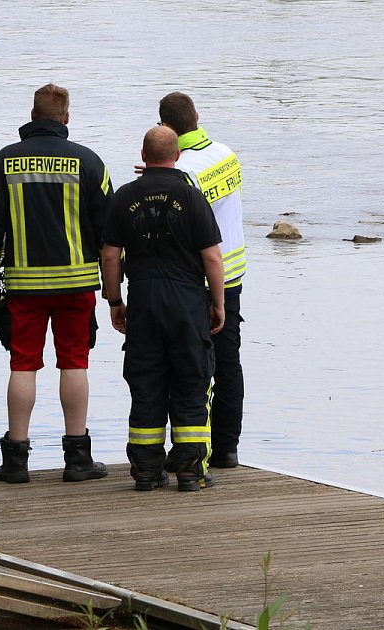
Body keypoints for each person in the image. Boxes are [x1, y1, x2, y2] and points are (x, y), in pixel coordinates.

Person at [0, 83, 114, 484]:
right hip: (77, 284)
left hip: (23, 285)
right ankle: (77, 458)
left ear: (32, 116)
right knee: (74, 362)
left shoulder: (3, 162)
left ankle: (16, 461)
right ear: (66, 118)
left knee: (23, 365)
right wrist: (115, 283)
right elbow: (110, 229)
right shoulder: (88, 162)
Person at [101, 125, 225, 492]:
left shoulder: (124, 197)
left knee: (146, 383)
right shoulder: (190, 197)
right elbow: (213, 258)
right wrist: (217, 304)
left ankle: (146, 471)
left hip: (144, 300)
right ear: (177, 156)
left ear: (143, 155)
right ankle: (190, 472)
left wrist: (114, 301)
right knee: (191, 380)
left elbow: (109, 255)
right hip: (187, 302)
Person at [158, 92, 247, 469]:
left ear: (164, 127)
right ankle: (227, 447)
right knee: (229, 362)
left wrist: (158, 180)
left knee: (194, 364)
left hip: (198, 278)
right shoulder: (227, 154)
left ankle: (193, 450)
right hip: (233, 273)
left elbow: (177, 225)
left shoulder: (183, 172)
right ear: (197, 117)